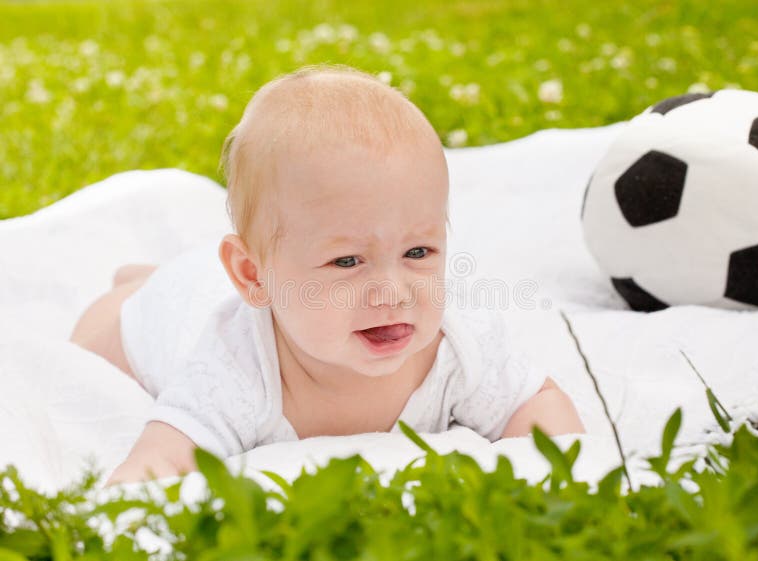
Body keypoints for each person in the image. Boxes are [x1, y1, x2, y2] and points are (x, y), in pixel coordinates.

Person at [68, 64, 585, 487]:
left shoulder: (458, 348)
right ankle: (135, 282)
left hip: (248, 285)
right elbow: (159, 462)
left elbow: (535, 402)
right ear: (252, 274)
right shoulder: (233, 370)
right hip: (171, 306)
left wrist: (560, 480)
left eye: (419, 251)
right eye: (347, 261)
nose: (393, 291)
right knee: (99, 333)